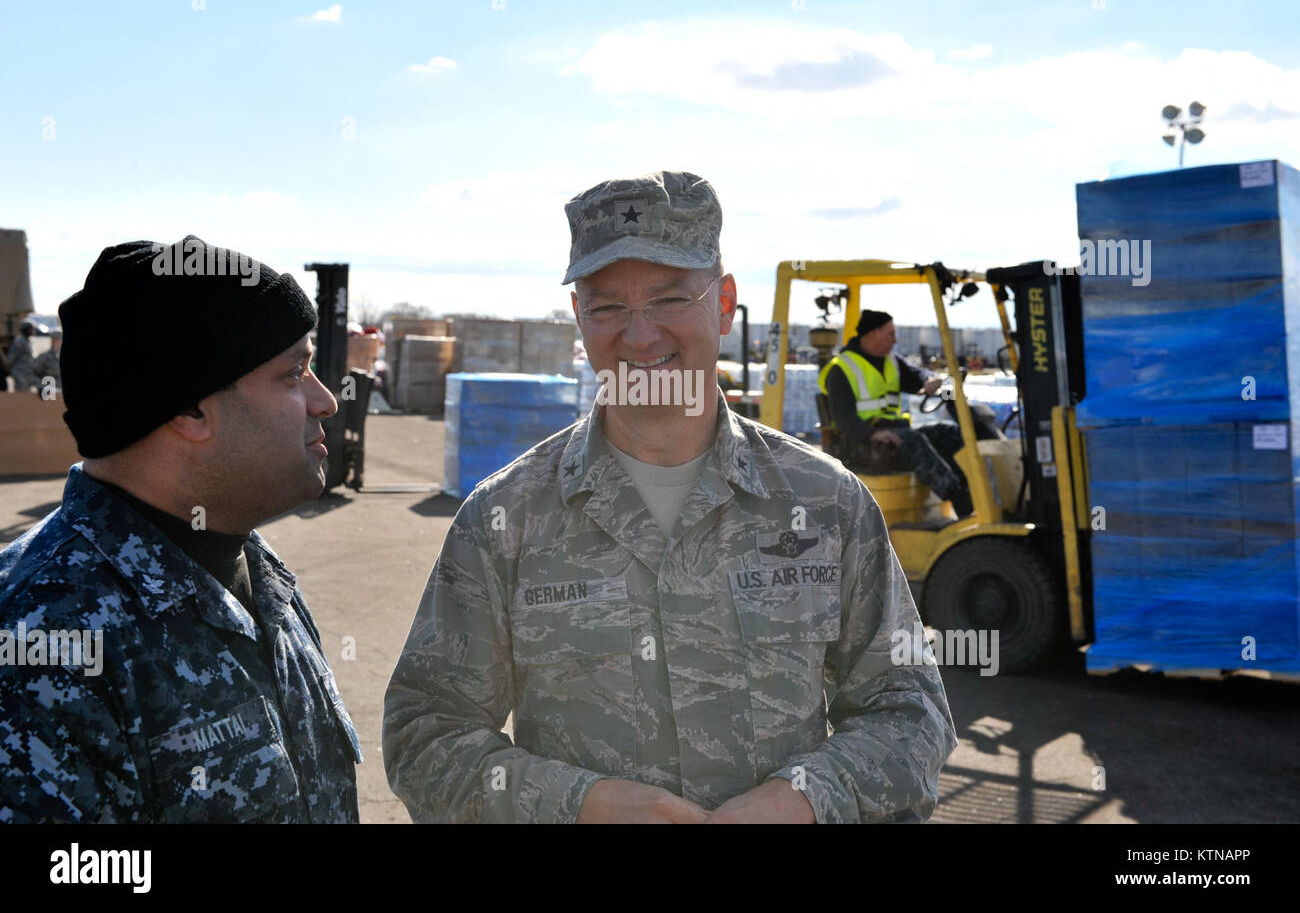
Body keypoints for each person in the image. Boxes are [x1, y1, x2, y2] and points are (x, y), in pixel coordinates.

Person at [384, 171, 956, 823]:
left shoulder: (828, 504)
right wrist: (576, 803)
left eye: (667, 299)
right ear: (579, 316)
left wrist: (806, 796)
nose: (641, 336)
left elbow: (911, 713)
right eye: (608, 307)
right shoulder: (502, 519)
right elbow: (425, 739)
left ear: (724, 302)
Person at [0, 236, 362, 823]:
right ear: (188, 410)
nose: (325, 401)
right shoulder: (42, 643)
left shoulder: (253, 571)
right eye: (294, 373)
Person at [819, 311, 973, 517]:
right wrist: (871, 434)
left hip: (893, 435)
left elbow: (916, 375)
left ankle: (969, 488)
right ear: (873, 334)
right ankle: (960, 500)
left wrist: (929, 380)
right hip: (861, 443)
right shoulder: (842, 369)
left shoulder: (891, 361)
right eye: (890, 334)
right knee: (912, 440)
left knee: (948, 433)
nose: (895, 339)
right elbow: (843, 417)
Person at [5, 319, 37, 392]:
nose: (32, 330)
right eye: (30, 329)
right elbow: (11, 358)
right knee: (21, 395)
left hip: (27, 372)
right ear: (25, 330)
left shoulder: (26, 341)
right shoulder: (19, 341)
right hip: (20, 373)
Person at [30, 328, 62, 392]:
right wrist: (41, 387)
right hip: (51, 392)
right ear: (55, 341)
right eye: (60, 340)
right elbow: (32, 374)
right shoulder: (44, 357)